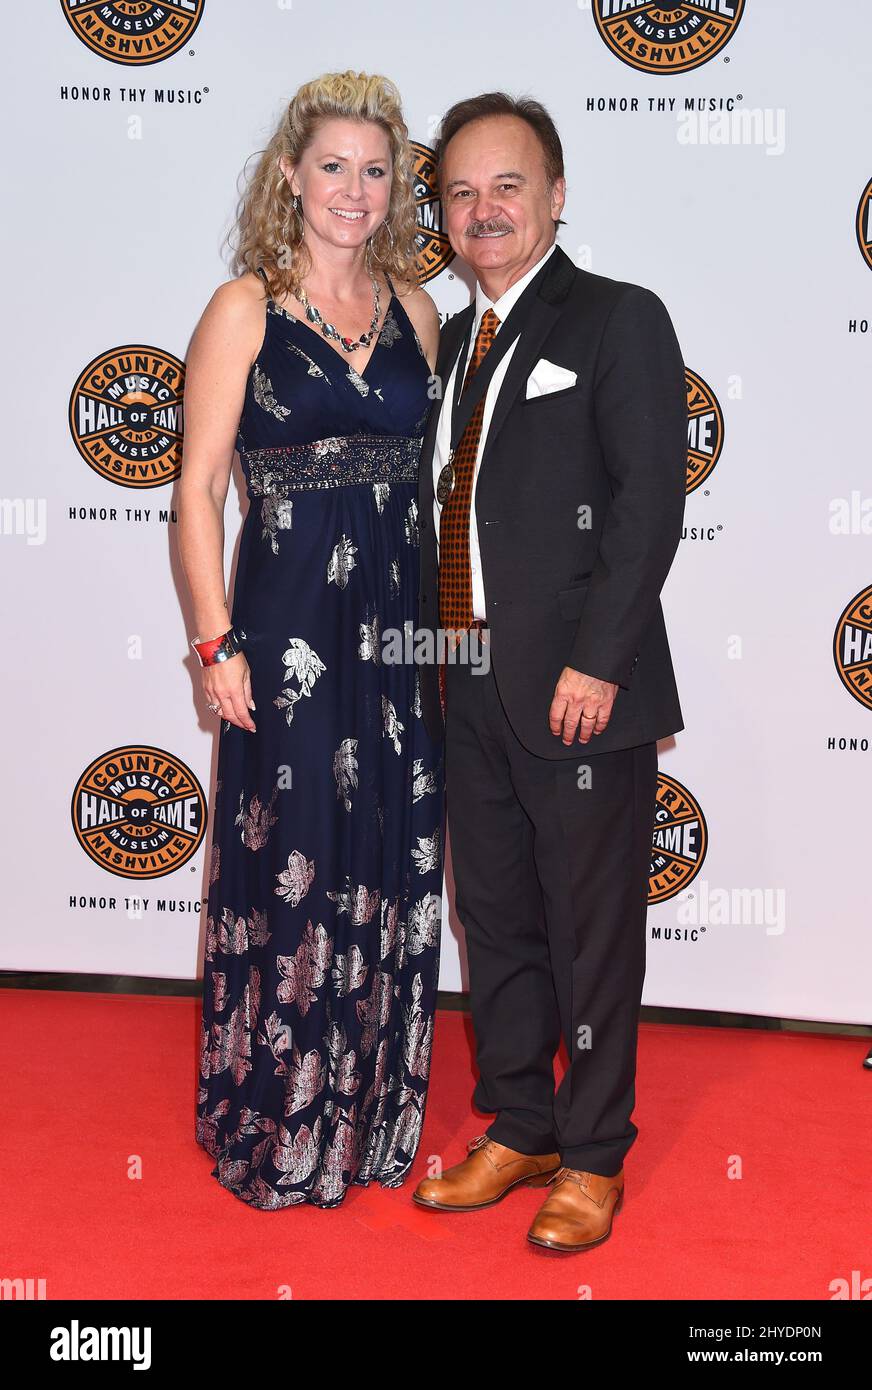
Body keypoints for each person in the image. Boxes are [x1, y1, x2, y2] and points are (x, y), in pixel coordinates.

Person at [411, 93, 687, 1251]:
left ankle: (592, 1151)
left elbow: (648, 507)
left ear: (555, 195)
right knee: (497, 916)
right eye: (460, 192)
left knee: (588, 930)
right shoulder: (453, 339)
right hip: (461, 673)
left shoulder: (616, 319)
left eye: (505, 186)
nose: (481, 210)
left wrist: (595, 660)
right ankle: (519, 1121)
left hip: (580, 685)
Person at [178, 71, 444, 1209]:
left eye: (375, 170)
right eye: (332, 165)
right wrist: (214, 642)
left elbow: (442, 492)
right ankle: (280, 1114)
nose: (354, 189)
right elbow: (195, 494)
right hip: (284, 629)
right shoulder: (245, 308)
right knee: (294, 857)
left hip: (399, 631)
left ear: (395, 189)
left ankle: (374, 1105)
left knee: (394, 852)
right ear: (291, 176)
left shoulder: (419, 312)